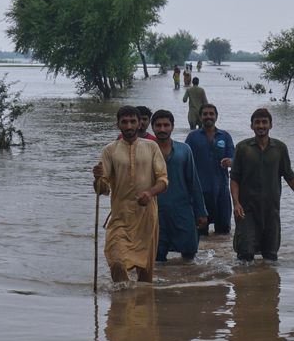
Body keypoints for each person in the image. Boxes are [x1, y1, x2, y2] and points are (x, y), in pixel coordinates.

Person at [93, 106, 168, 282]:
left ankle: (140, 305)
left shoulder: (152, 147)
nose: (128, 126)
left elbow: (163, 180)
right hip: (121, 216)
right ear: (117, 124)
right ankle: (121, 300)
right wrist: (97, 179)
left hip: (147, 217)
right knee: (116, 261)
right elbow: (103, 190)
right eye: (124, 122)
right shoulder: (110, 150)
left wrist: (149, 193)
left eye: (132, 121)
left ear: (139, 123)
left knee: (145, 274)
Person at [230, 108, 294, 261]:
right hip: (246, 210)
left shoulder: (279, 148)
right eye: (257, 123)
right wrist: (236, 203)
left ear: (270, 125)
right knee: (245, 254)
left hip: (271, 210)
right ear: (251, 126)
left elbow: (289, 175)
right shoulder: (243, 148)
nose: (261, 126)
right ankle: (243, 283)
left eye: (264, 122)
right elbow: (234, 178)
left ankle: (268, 284)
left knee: (271, 256)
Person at [150, 109, 207, 262]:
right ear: (152, 127)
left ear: (172, 127)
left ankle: (184, 285)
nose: (162, 129)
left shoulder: (184, 150)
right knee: (157, 257)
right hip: (155, 211)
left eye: (166, 125)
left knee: (189, 253)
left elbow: (193, 182)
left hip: (182, 210)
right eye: (158, 125)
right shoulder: (146, 151)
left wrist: (201, 211)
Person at [185, 103, 234, 235]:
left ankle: (221, 255)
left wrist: (231, 162)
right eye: (205, 114)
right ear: (200, 117)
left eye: (211, 114)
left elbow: (235, 160)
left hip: (221, 190)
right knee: (201, 232)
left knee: (223, 232)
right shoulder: (192, 137)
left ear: (216, 117)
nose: (208, 116)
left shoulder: (225, 136)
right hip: (200, 192)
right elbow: (185, 161)